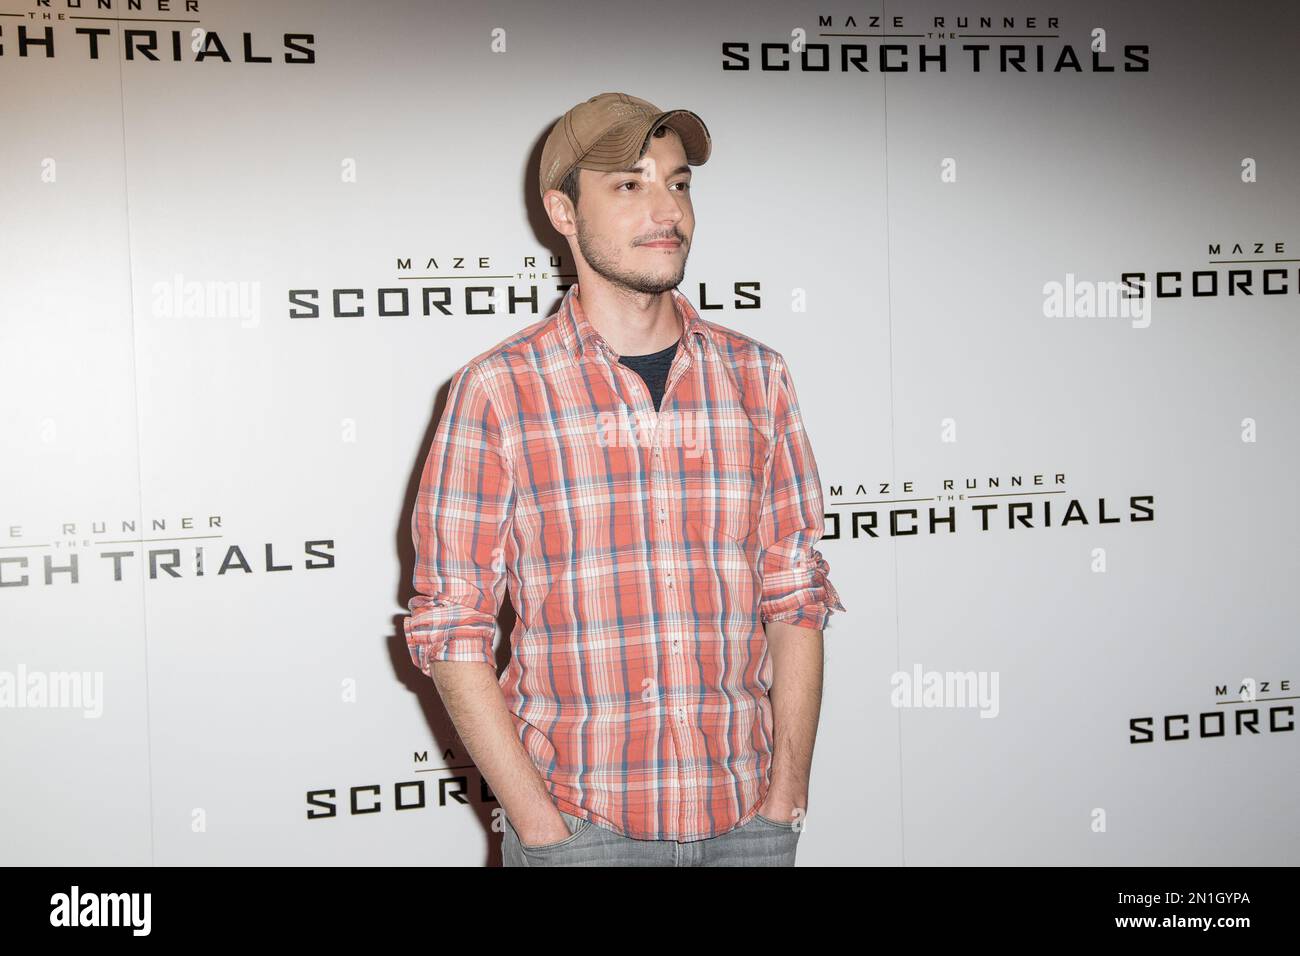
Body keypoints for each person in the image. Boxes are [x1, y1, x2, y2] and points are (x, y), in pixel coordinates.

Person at [403, 92, 845, 866]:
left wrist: (785, 800)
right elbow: (452, 623)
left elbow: (795, 593)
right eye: (629, 185)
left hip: (749, 819)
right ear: (563, 212)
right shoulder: (498, 390)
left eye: (678, 183)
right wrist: (540, 826)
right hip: (581, 825)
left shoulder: (758, 377)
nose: (666, 209)